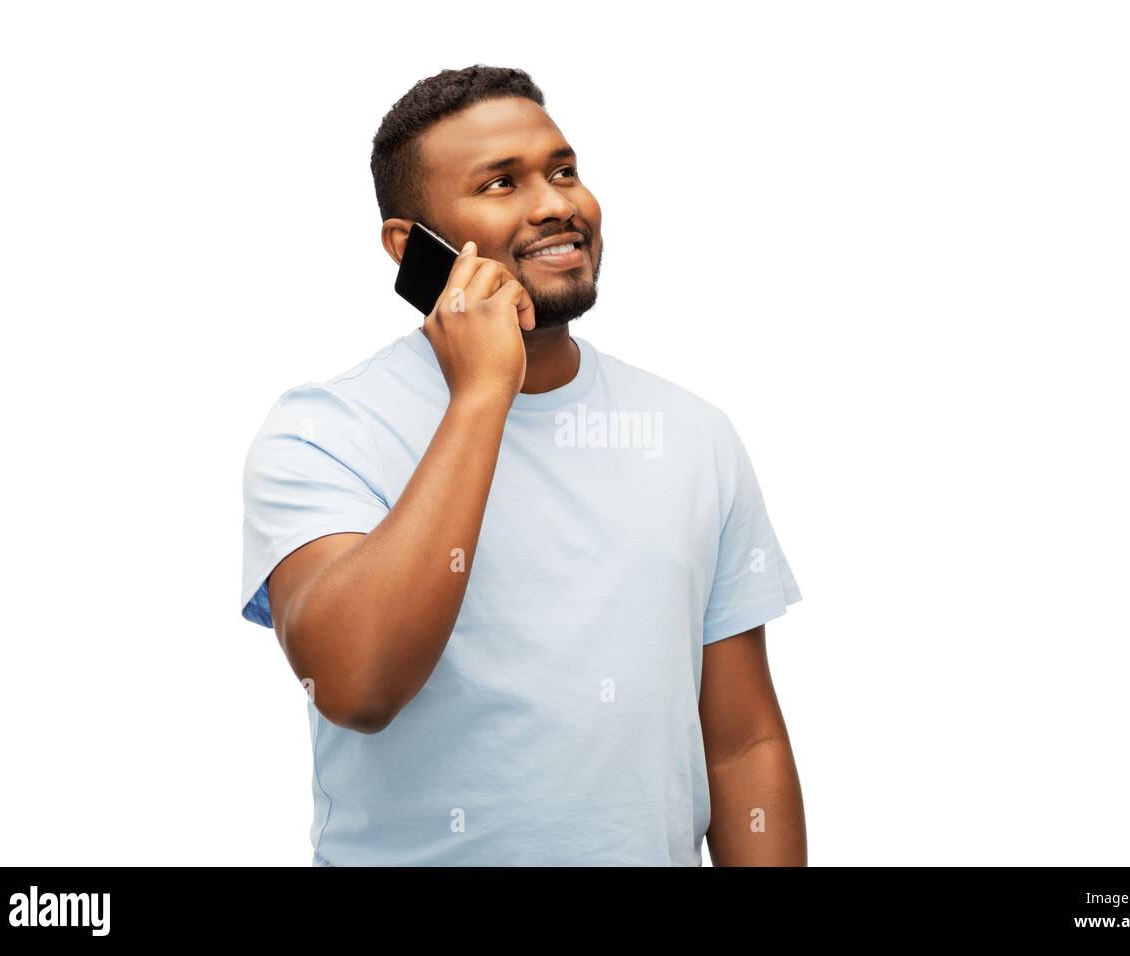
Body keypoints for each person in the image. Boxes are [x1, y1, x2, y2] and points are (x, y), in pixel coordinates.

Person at [240, 64, 806, 866]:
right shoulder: (326, 432)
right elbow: (355, 685)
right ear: (412, 248)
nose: (555, 203)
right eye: (501, 183)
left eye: (564, 170)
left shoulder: (691, 434)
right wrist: (481, 397)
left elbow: (743, 745)